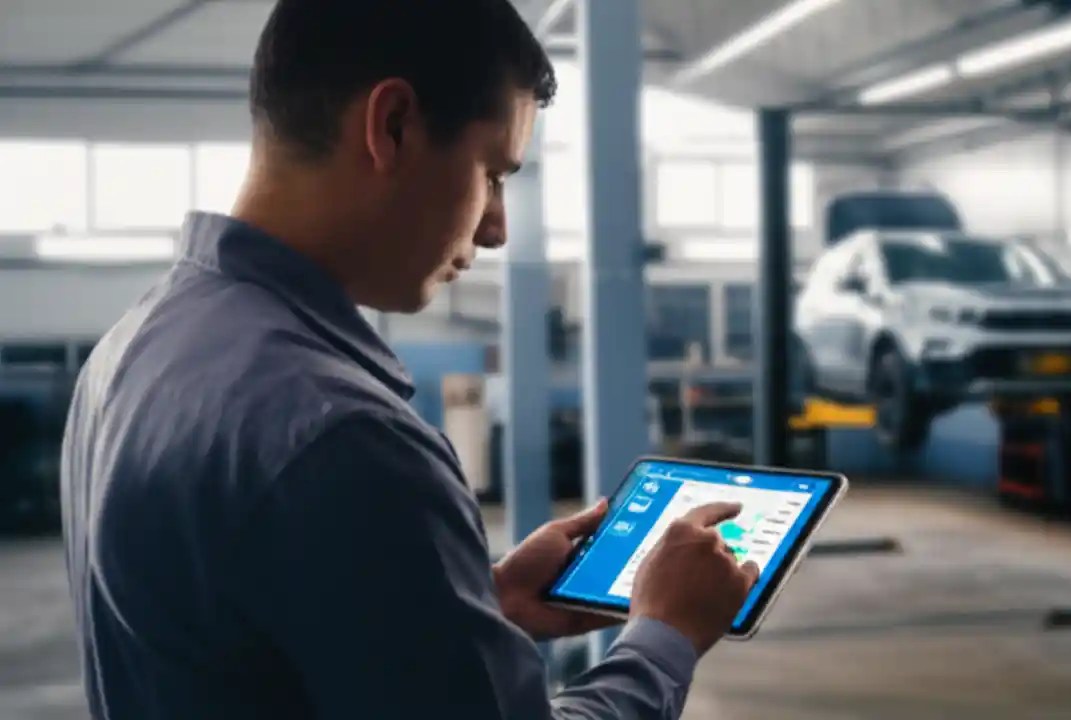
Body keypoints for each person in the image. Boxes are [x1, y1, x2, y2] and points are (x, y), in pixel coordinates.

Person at [59, 1, 760, 718]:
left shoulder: (129, 351)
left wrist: (480, 602)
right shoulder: (343, 437)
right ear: (391, 126)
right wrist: (665, 635)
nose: (496, 229)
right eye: (492, 172)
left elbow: (242, 644)